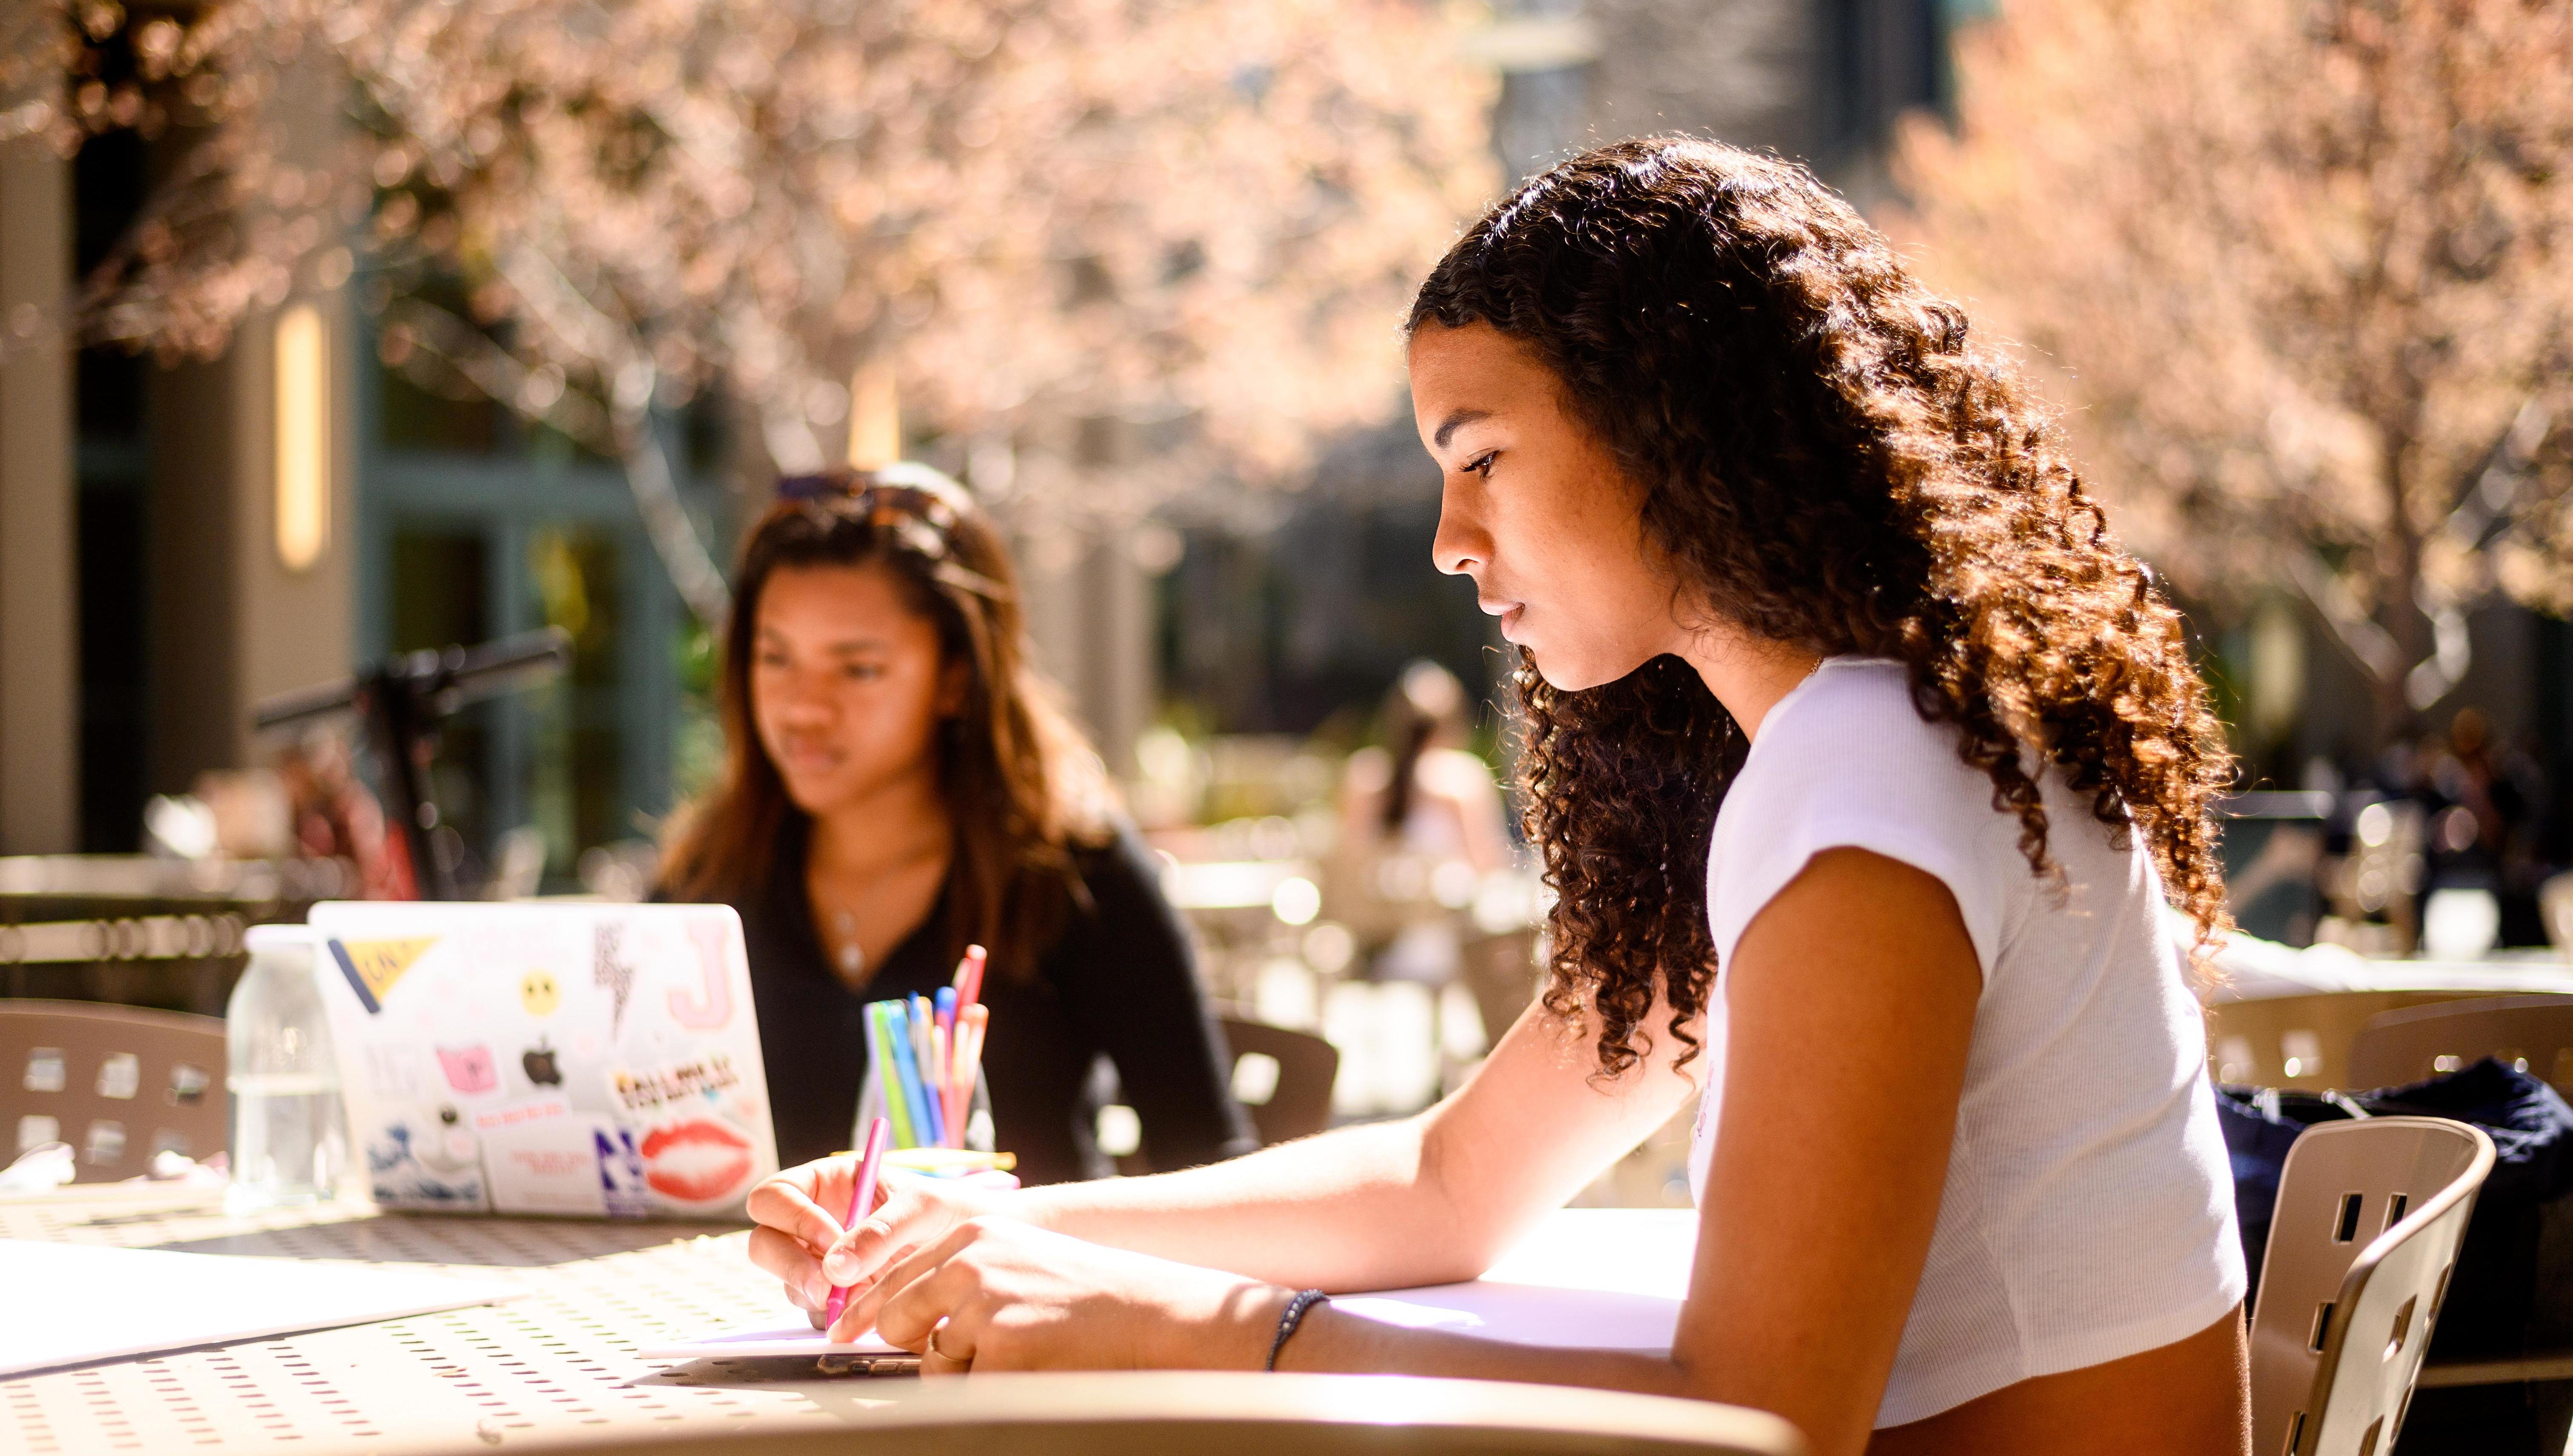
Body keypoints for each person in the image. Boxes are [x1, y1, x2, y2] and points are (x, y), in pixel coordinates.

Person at [743, 141, 2249, 1456]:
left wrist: (1199, 1329)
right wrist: (988, 1230)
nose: (1449, 542)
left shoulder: (1863, 773)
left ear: (1672, 432)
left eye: (1480, 459)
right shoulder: (1876, 741)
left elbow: (1757, 1414)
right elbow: (1449, 1178)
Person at [658, 463, 1255, 1184]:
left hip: (1024, 1286)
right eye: (775, 657)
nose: (803, 707)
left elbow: (1212, 1164)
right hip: (747, 1291)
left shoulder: (1074, 872)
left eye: (858, 669)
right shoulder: (707, 881)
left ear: (956, 678)